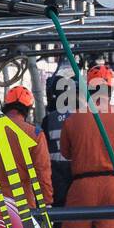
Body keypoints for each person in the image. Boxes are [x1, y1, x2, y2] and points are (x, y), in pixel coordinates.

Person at [58, 65, 114, 228]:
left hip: (82, 186)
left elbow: (66, 153)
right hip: (113, 185)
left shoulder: (73, 118)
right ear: (111, 88)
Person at [0, 86, 53, 211]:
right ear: (27, 109)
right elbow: (42, 172)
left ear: (6, 105)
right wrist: (46, 201)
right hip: (22, 205)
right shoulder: (34, 134)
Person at [41, 71, 75, 206]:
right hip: (76, 171)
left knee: (59, 214)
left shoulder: (48, 119)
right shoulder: (80, 117)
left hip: (55, 173)